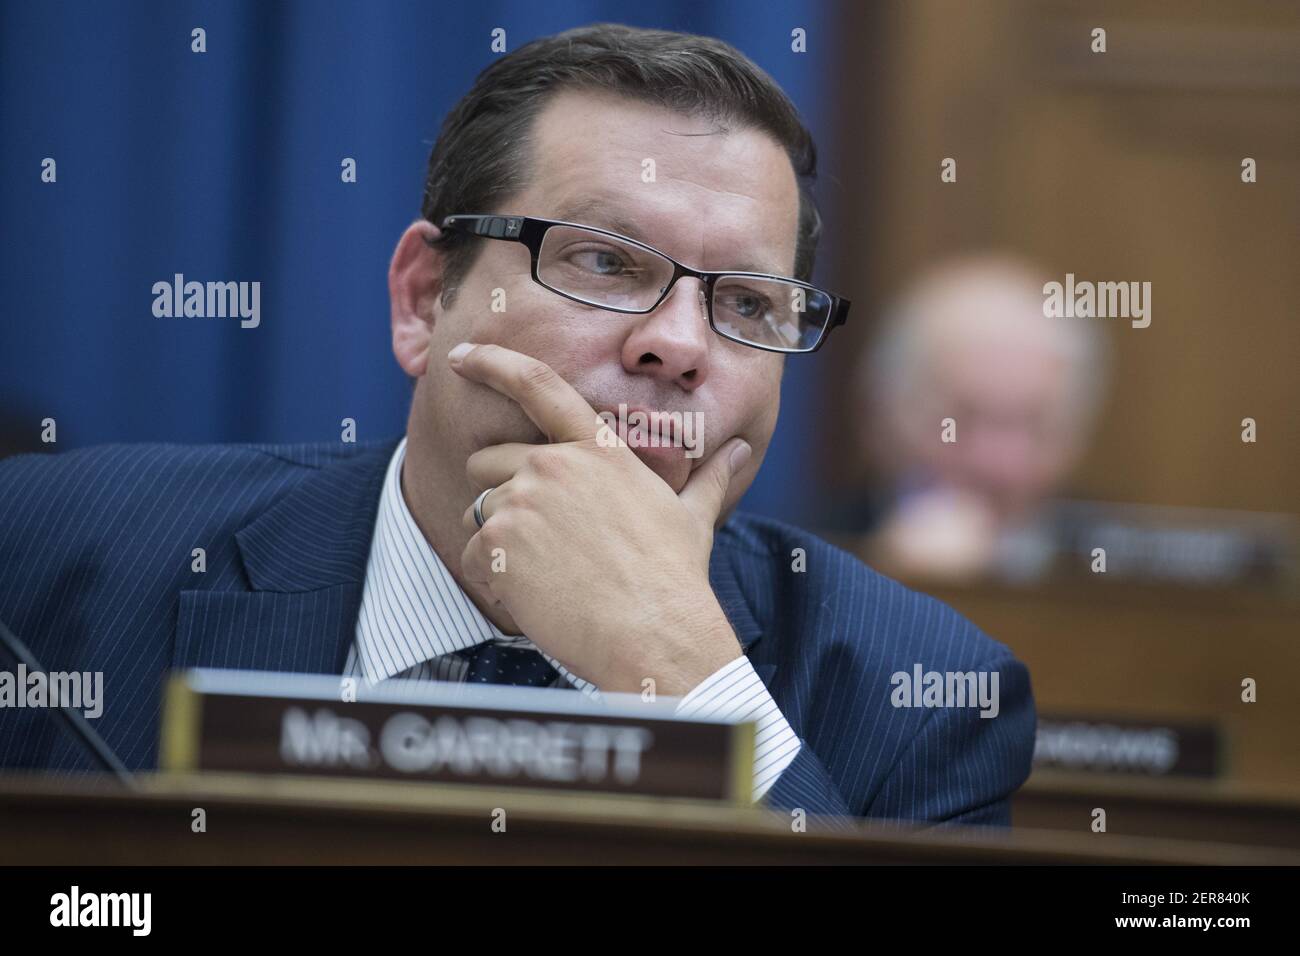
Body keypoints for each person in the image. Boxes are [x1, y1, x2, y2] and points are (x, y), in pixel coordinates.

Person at [0, 23, 1034, 826]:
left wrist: (687, 677)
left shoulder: (920, 699)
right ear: (422, 298)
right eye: (603, 261)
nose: (678, 345)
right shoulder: (48, 559)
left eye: (748, 304)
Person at [857, 255, 1108, 582]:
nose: (999, 464)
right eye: (963, 418)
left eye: (1035, 425)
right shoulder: (806, 556)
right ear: (882, 416)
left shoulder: (1121, 574)